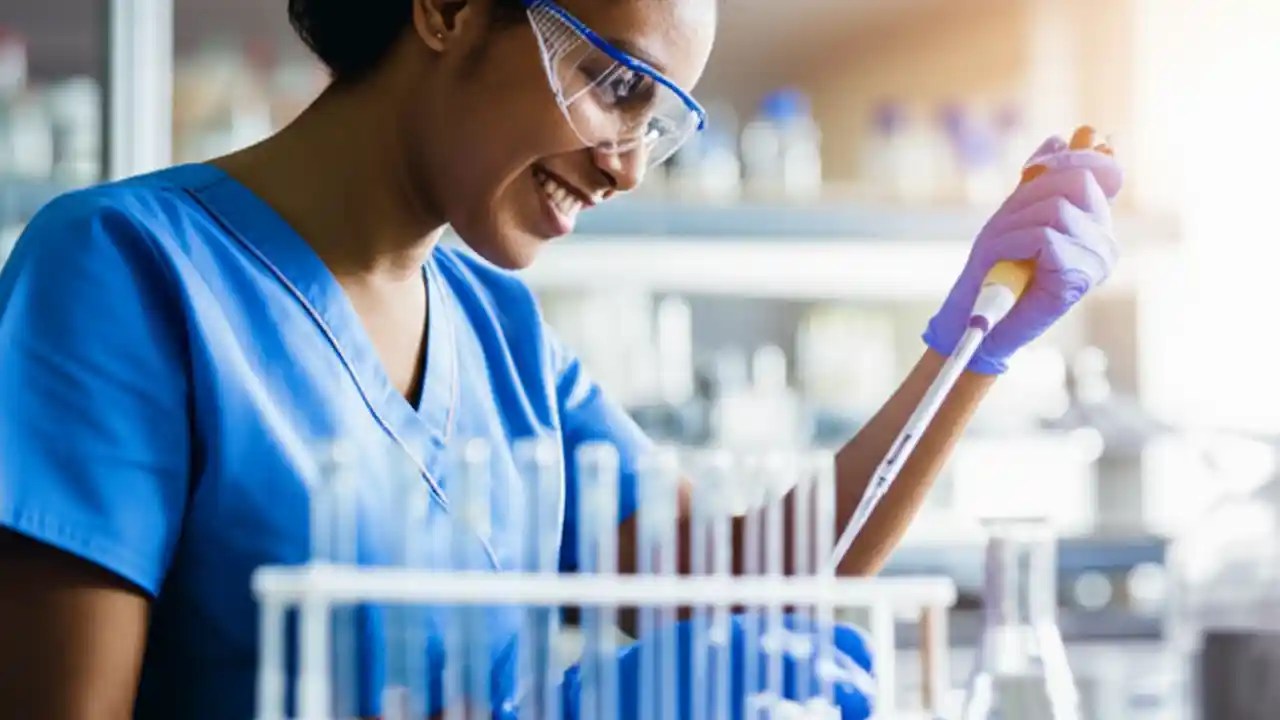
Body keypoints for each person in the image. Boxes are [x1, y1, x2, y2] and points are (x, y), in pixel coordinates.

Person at [0, 0, 1122, 716]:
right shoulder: (123, 269)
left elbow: (757, 588)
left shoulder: (503, 337)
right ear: (444, 9)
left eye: (662, 119)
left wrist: (969, 344)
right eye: (615, 84)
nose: (629, 165)